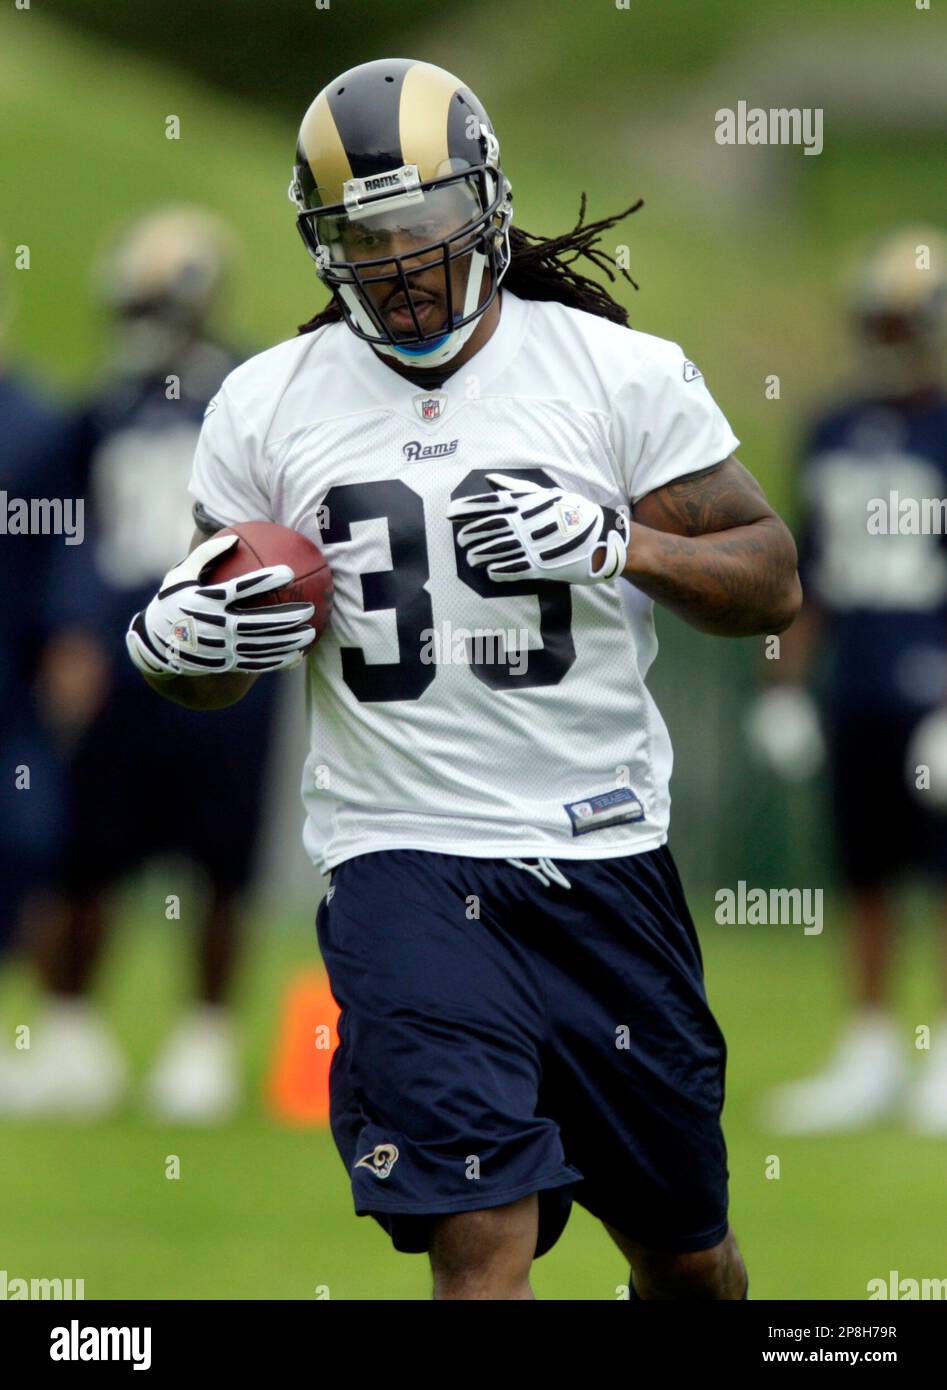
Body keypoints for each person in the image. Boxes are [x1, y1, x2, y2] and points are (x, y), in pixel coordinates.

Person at [125, 60, 800, 1298]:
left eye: (422, 221)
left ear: (485, 204)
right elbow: (226, 650)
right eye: (363, 236)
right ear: (320, 244)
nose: (399, 262)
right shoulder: (266, 405)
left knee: (687, 1257)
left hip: (600, 855)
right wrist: (180, 652)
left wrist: (617, 544)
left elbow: (769, 579)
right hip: (401, 857)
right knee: (479, 1236)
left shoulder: (611, 372)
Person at [0, 208, 279, 1123]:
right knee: (85, 853)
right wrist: (69, 632)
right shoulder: (104, 409)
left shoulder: (251, 397)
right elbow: (67, 533)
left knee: (221, 859)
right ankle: (70, 1035)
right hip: (121, 658)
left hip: (226, 659)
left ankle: (205, 1041)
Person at [754, 227, 947, 1136]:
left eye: (900, 322)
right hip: (857, 685)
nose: (885, 339)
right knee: (862, 870)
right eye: (876, 321)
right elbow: (806, 574)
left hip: (934, 687)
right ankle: (868, 1051)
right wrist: (783, 688)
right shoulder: (830, 427)